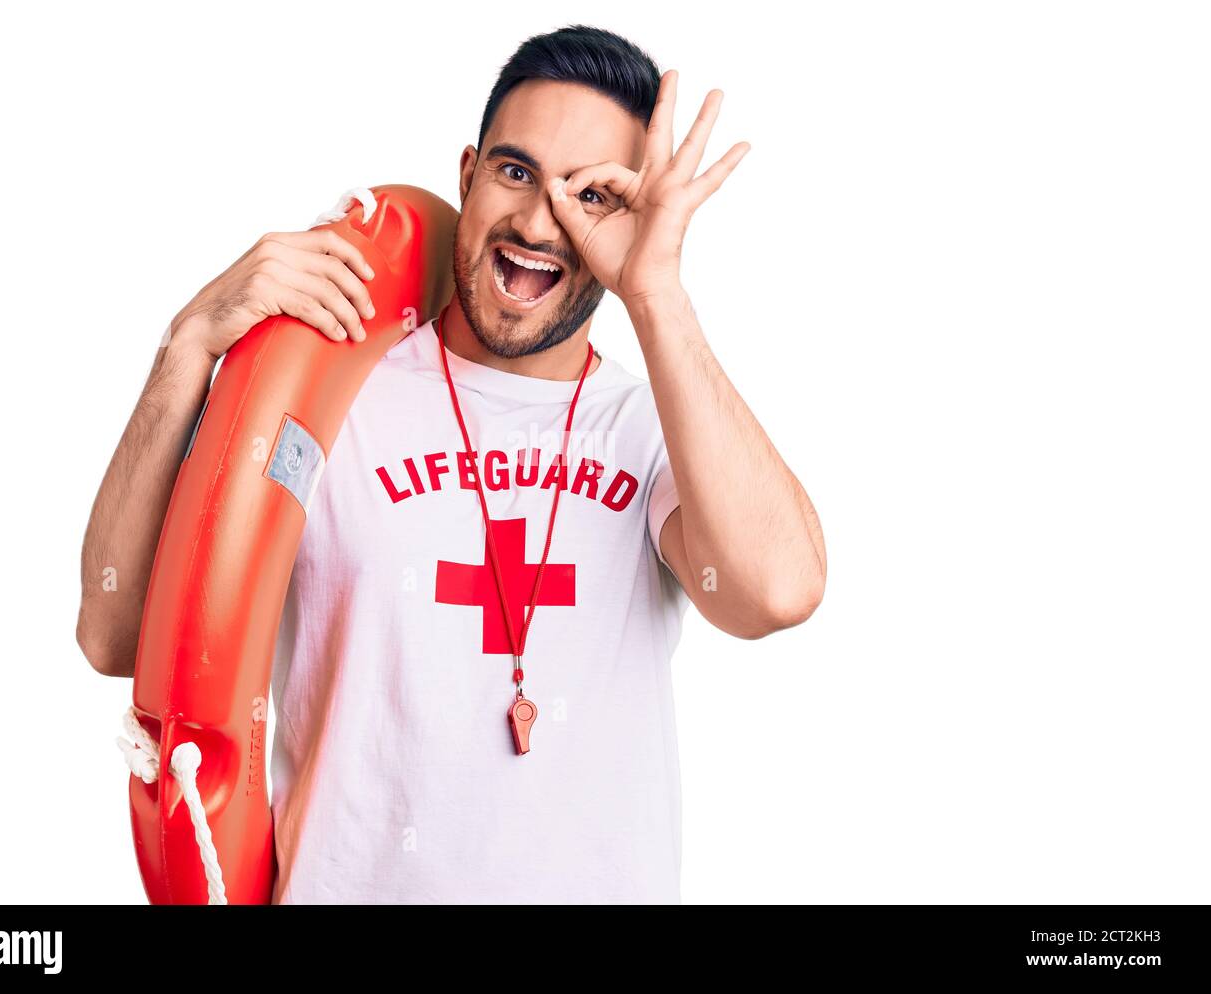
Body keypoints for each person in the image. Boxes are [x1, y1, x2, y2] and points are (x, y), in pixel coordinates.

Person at [77, 24, 826, 904]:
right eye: (516, 172)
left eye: (593, 197)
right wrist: (187, 347)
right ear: (468, 176)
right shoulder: (327, 400)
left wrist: (656, 292)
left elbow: (778, 591)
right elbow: (115, 635)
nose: (539, 222)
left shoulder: (652, 427)